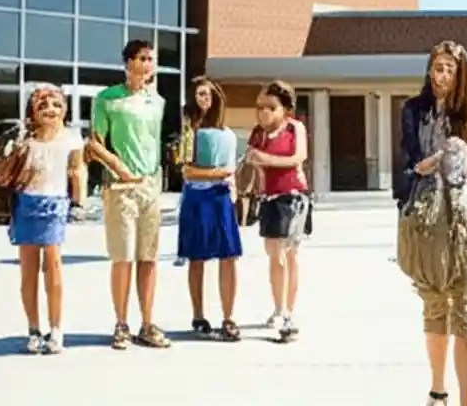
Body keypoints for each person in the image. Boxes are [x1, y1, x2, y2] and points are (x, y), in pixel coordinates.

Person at [394, 40, 467, 406]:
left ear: (460, 74)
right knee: (434, 304)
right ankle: (438, 391)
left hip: (465, 218)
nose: (442, 74)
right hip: (425, 217)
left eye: (451, 68)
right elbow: (411, 162)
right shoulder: (413, 110)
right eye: (438, 66)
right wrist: (436, 159)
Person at [85, 39, 171, 350]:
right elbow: (95, 143)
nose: (149, 65)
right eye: (143, 58)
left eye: (152, 59)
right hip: (120, 187)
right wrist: (119, 168)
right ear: (128, 63)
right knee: (123, 257)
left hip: (150, 185)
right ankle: (121, 324)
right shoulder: (107, 99)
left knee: (149, 257)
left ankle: (147, 323)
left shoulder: (157, 101)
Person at [6, 84, 85, 355]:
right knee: (28, 268)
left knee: (53, 264)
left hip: (55, 202)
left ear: (64, 108)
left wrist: (78, 202)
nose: (50, 110)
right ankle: (33, 328)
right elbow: (11, 173)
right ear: (33, 112)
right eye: (43, 106)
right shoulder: (25, 140)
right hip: (27, 202)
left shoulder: (73, 138)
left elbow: (77, 171)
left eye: (56, 104)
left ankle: (56, 328)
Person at [174, 76, 243, 341]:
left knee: (229, 257)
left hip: (222, 198)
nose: (205, 98)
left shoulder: (227, 133)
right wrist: (216, 173)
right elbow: (187, 170)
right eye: (200, 94)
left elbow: (232, 172)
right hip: (196, 198)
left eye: (209, 94)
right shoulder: (189, 131)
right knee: (197, 258)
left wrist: (232, 191)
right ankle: (199, 314)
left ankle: (228, 317)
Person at [246, 80, 311, 342]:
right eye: (260, 107)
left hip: (292, 196)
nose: (264, 113)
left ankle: (289, 311)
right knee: (273, 255)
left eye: (271, 107)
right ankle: (277, 307)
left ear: (285, 108)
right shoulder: (257, 134)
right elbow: (251, 162)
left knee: (289, 254)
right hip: (268, 198)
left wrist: (267, 160)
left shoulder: (296, 128)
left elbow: (298, 158)